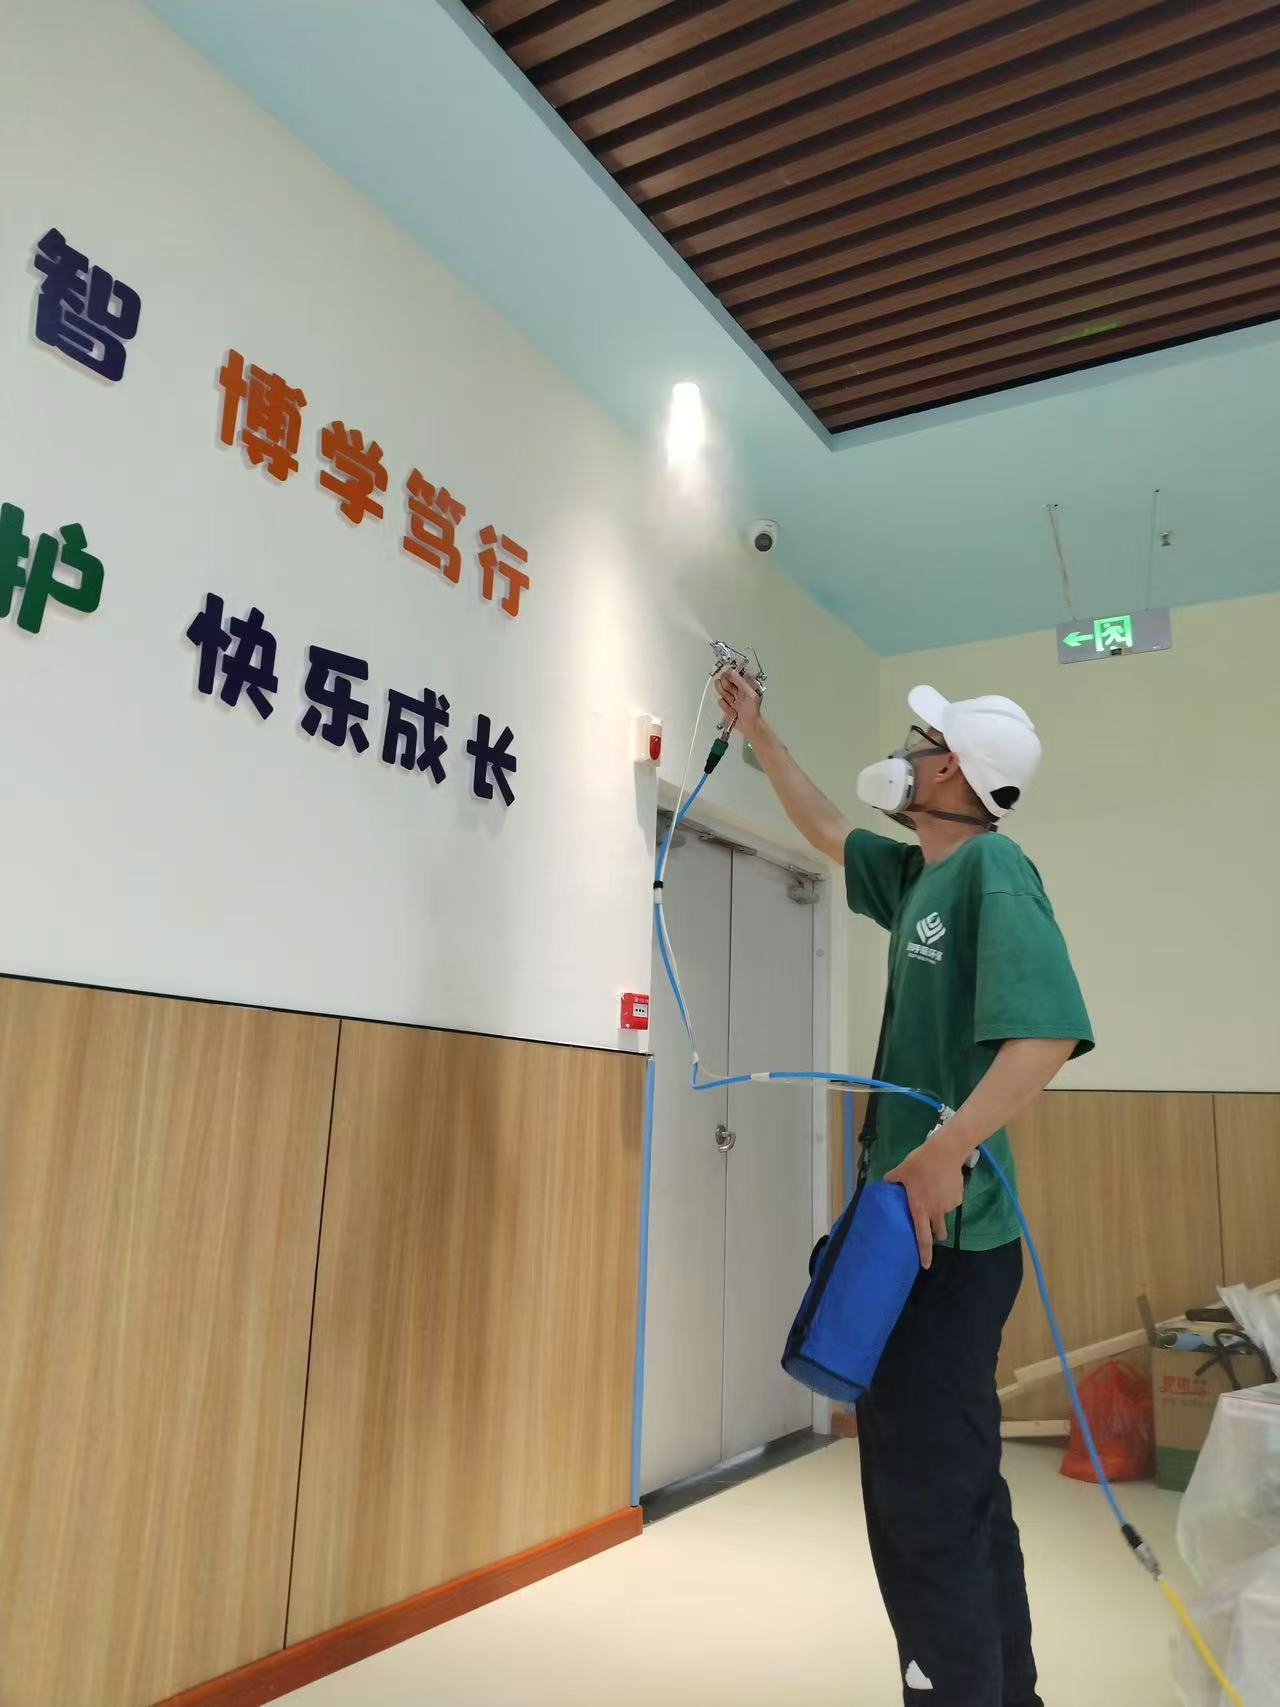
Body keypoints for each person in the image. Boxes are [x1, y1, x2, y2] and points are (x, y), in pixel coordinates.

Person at [715, 669, 1093, 1707]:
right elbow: (827, 828)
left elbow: (1045, 1034)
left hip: (952, 1245)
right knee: (952, 1491)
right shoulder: (921, 876)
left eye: (924, 742)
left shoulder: (992, 871)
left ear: (954, 772)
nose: (907, 752)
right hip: (909, 1240)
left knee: (924, 1507)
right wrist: (757, 729)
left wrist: (946, 1146)